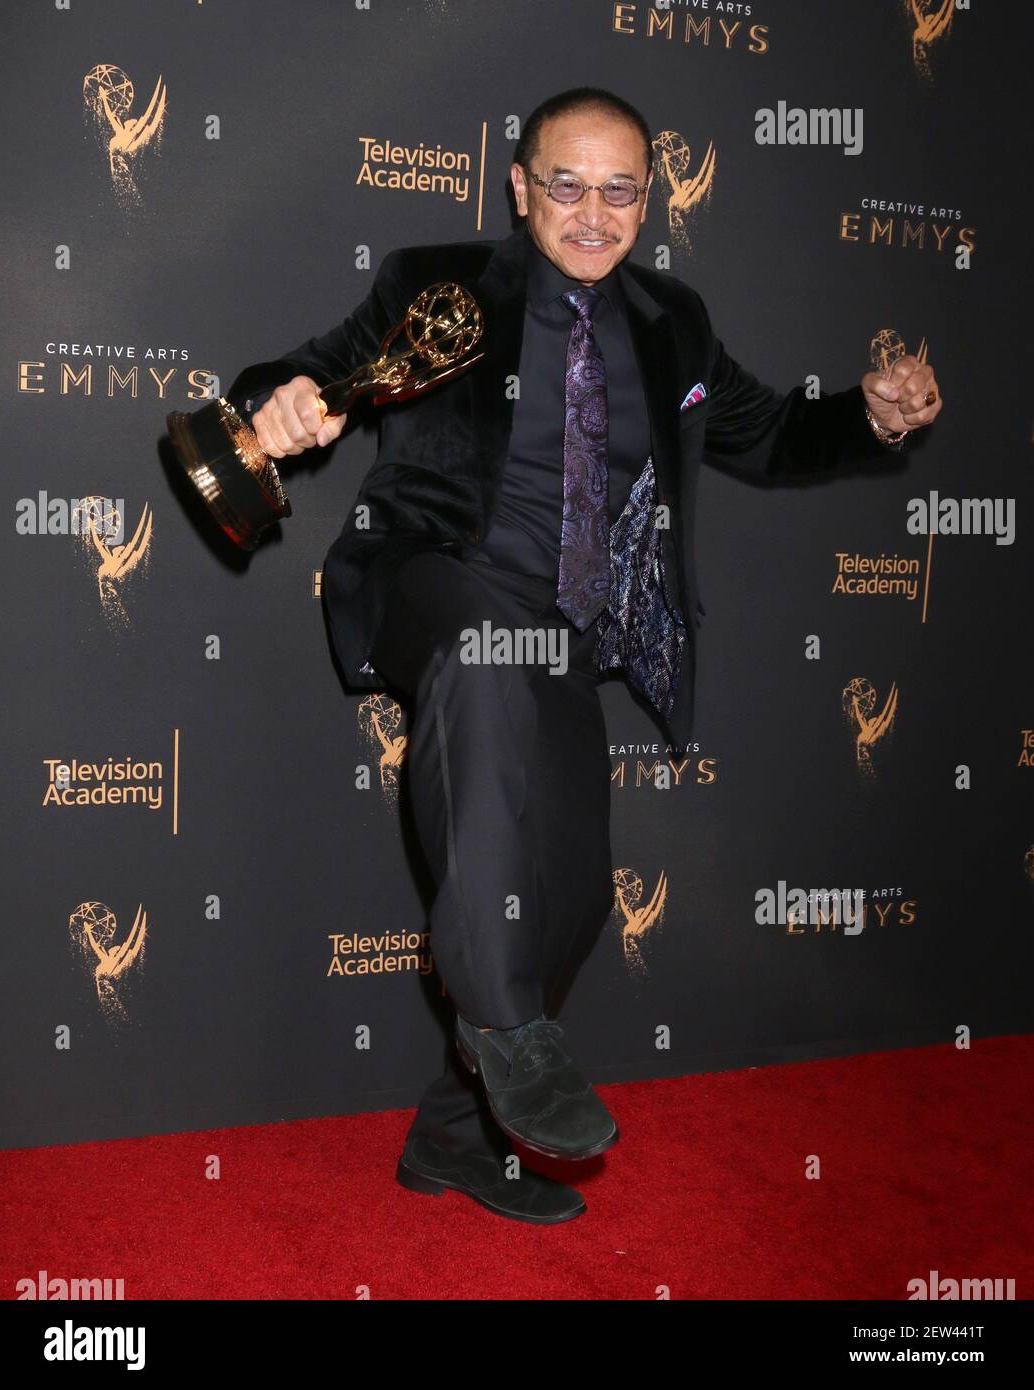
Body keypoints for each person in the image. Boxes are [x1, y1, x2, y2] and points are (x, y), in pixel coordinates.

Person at [225, 87, 943, 1225]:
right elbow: (302, 372)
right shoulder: (436, 284)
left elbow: (768, 433)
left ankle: (456, 1139)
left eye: (619, 189)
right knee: (478, 648)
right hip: (429, 574)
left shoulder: (674, 322)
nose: (593, 212)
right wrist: (273, 410)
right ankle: (507, 1028)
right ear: (519, 188)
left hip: (562, 634)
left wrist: (869, 413)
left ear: (648, 197)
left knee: (571, 897)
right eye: (567, 184)